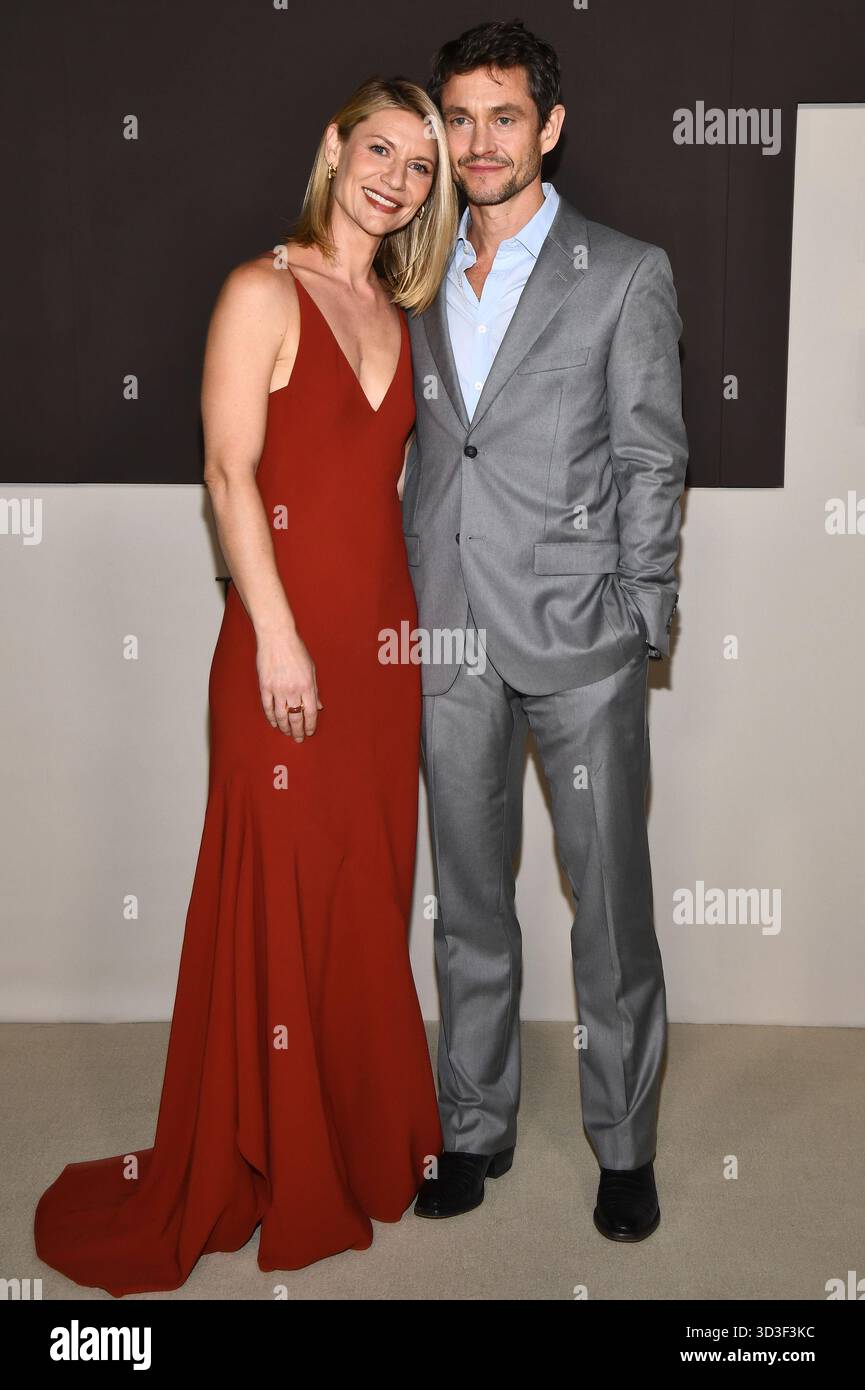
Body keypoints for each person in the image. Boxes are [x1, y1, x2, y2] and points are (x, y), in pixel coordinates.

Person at [34, 76, 458, 1296]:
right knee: (277, 882)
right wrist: (273, 635)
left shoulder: (397, 308)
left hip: (383, 647)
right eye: (380, 148)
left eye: (420, 165)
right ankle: (266, 1151)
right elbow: (230, 474)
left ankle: (359, 1138)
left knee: (364, 885)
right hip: (283, 635)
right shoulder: (259, 289)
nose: (398, 177)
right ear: (335, 148)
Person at [403, 21, 688, 1240]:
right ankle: (473, 1125)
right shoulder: (411, 273)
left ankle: (624, 1145)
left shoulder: (624, 271)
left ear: (548, 126)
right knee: (467, 899)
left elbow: (652, 457)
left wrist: (639, 618)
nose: (477, 142)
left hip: (580, 639)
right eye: (457, 118)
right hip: (447, 632)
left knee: (608, 903)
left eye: (501, 116)